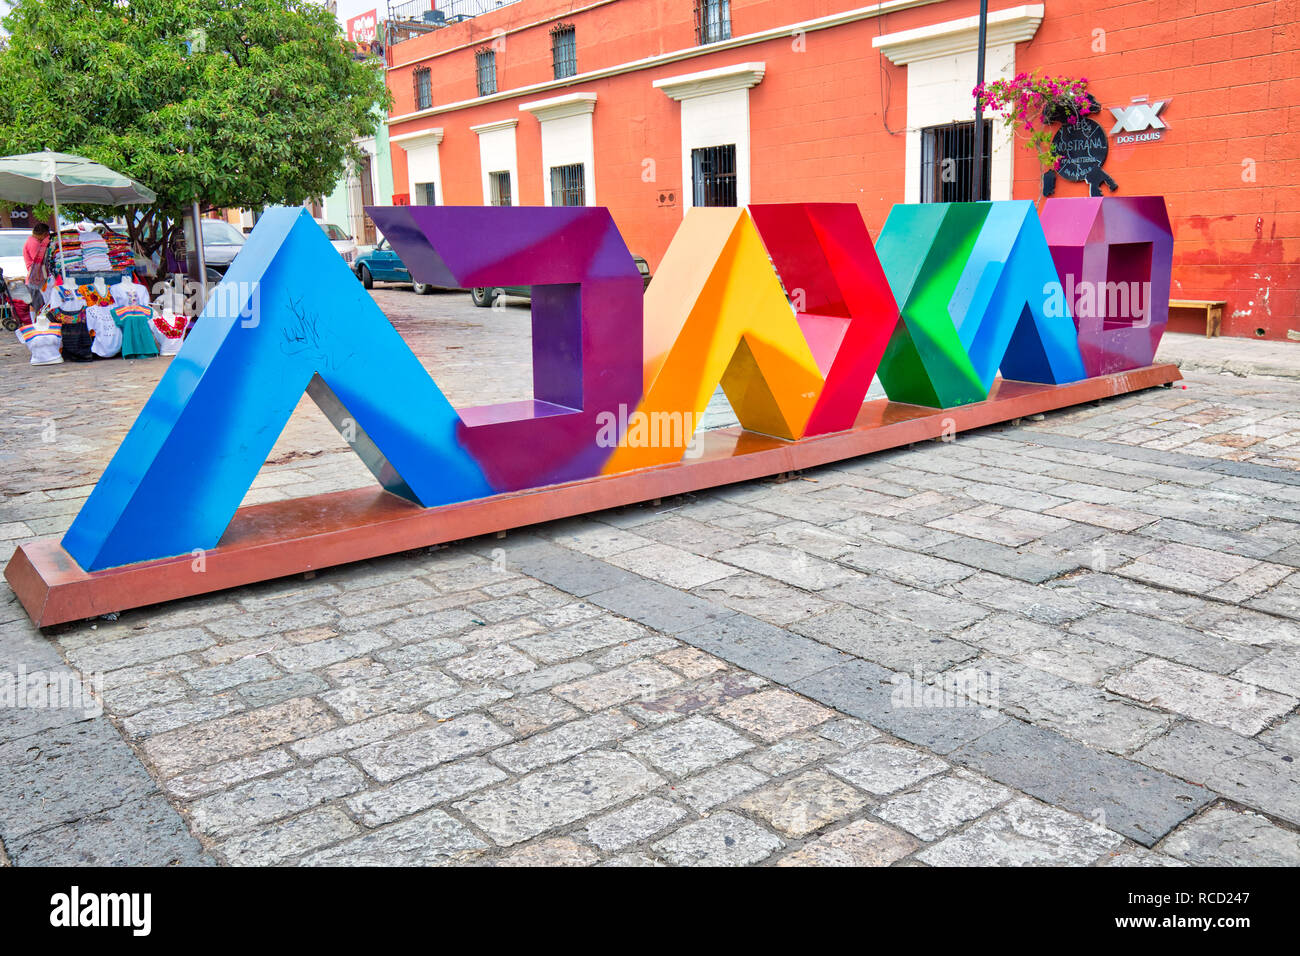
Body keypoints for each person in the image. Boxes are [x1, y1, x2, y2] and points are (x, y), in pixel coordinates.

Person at [23, 222, 51, 310]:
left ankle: (35, 321)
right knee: (38, 306)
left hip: (34, 278)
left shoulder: (32, 241)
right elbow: (39, 262)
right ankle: (36, 322)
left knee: (35, 304)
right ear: (44, 234)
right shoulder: (34, 243)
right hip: (36, 279)